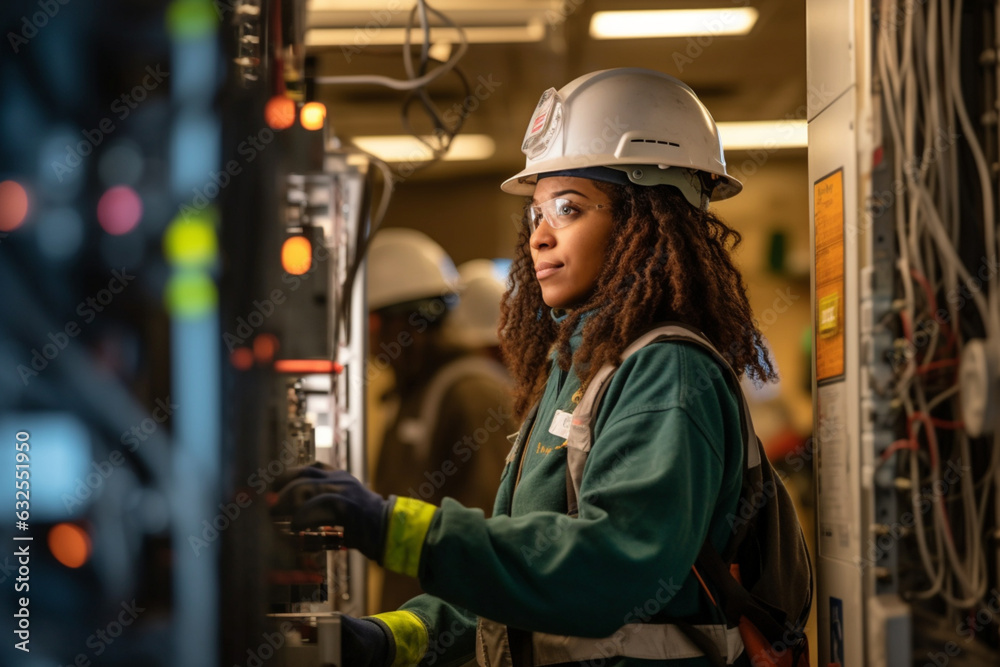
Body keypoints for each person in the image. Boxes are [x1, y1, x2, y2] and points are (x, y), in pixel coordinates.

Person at [275, 68, 777, 666]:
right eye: (535, 213)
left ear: (650, 216)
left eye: (568, 208)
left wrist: (395, 529)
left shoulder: (668, 371)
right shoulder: (580, 370)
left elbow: (611, 566)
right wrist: (396, 636)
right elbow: (528, 577)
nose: (539, 237)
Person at [366, 229, 516, 612]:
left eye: (370, 325)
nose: (366, 342)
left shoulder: (471, 392)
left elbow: (488, 534)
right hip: (414, 625)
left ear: (401, 325)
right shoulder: (414, 392)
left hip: (452, 634)